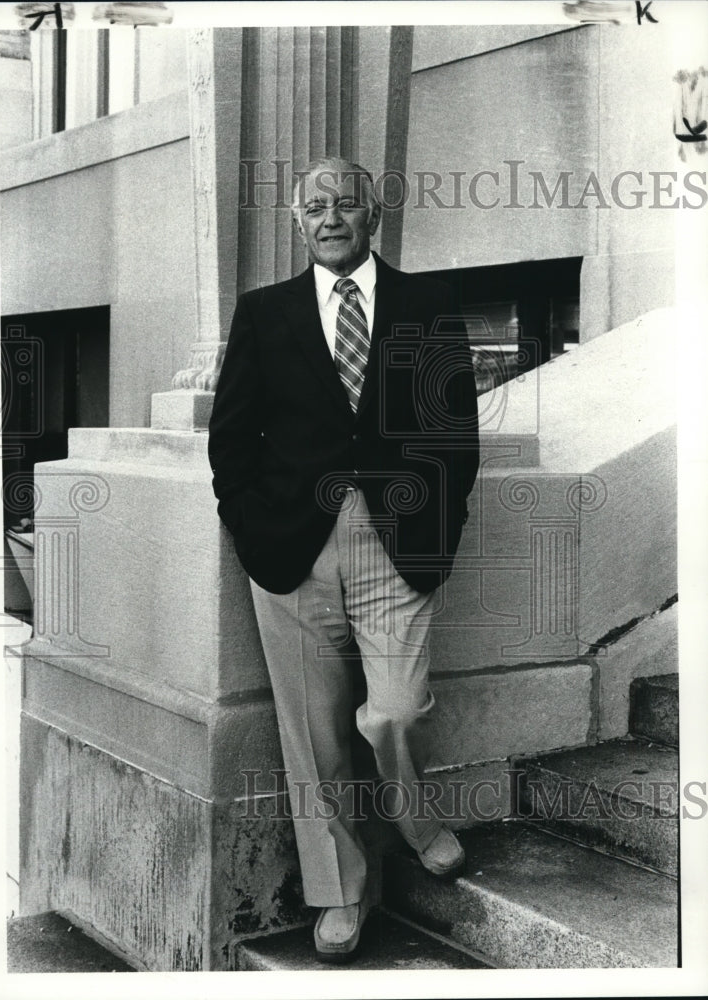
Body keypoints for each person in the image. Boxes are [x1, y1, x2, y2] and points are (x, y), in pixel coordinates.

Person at [208, 157, 479, 962]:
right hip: (291, 547)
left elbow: (454, 436)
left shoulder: (427, 304)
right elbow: (232, 439)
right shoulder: (264, 312)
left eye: (346, 205)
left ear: (374, 217)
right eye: (315, 207)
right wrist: (252, 529)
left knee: (394, 708)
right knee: (313, 739)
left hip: (398, 542)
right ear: (299, 222)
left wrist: (439, 521)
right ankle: (339, 893)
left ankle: (413, 810)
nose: (330, 218)